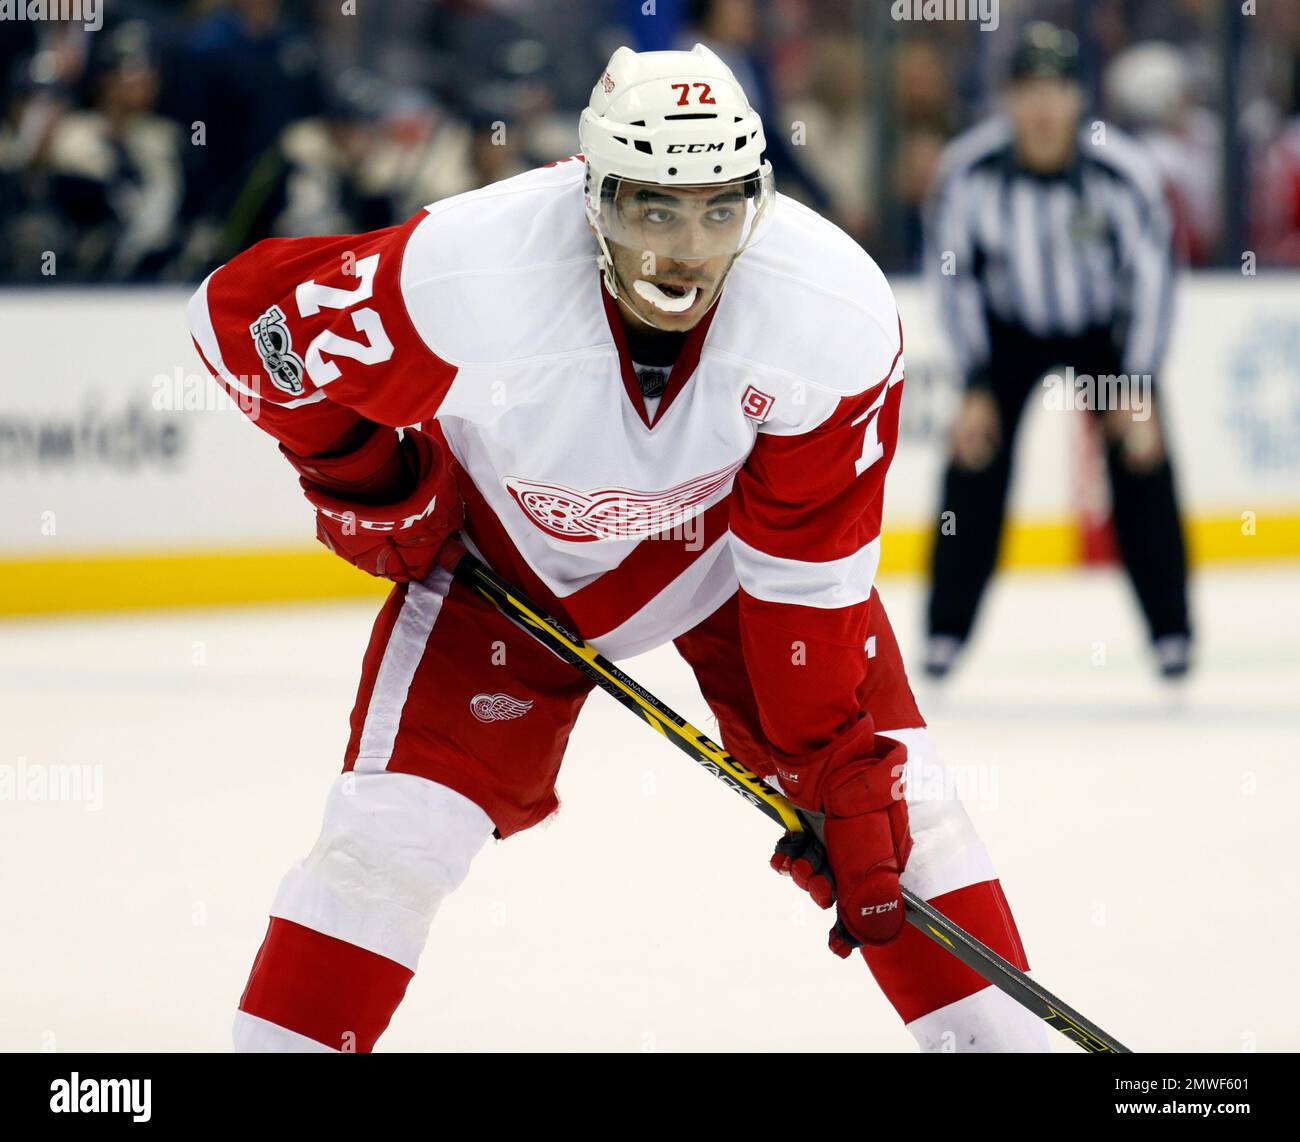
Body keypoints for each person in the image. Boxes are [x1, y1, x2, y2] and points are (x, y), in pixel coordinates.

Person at [188, 44, 1045, 1053]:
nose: (689, 246)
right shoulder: (468, 274)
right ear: (591, 195)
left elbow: (805, 566)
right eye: (654, 207)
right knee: (385, 841)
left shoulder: (830, 312)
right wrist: (367, 476)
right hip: (502, 564)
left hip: (717, 557)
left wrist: (827, 765)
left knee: (905, 814)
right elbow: (237, 326)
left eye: (721, 207)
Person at [923, 23, 1192, 680]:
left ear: (1080, 98)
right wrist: (976, 379)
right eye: (1029, 90)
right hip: (1008, 334)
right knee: (974, 464)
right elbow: (952, 276)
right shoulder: (969, 172)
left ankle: (1171, 633)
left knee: (1142, 463)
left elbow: (1155, 278)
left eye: (1058, 90)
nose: (1044, 107)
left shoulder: (1122, 171)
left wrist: (1137, 381)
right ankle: (945, 633)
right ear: (1009, 99)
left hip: (1101, 335)